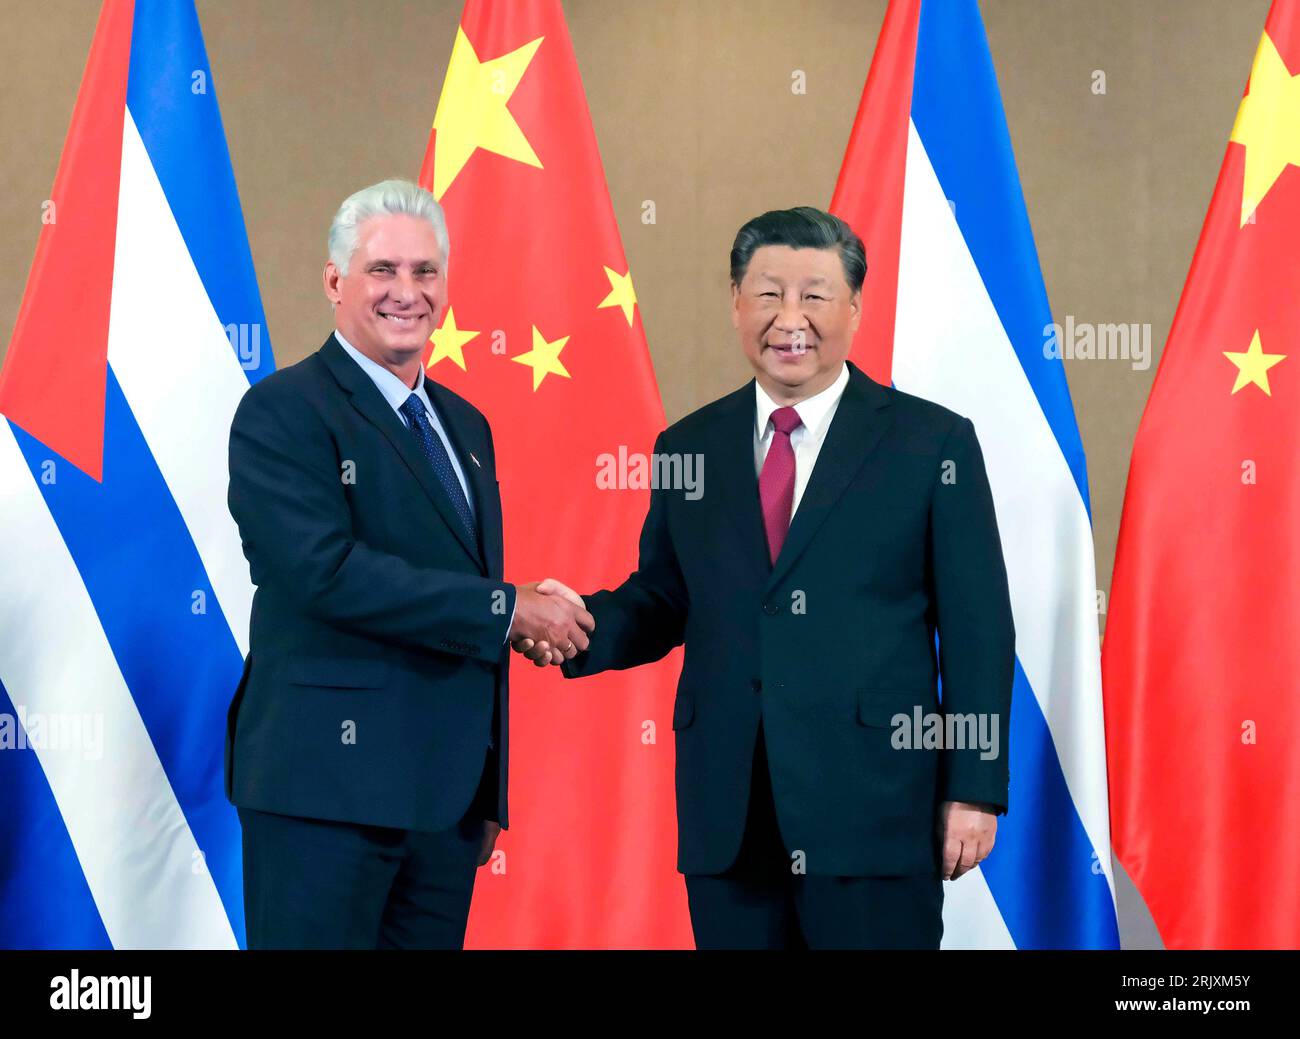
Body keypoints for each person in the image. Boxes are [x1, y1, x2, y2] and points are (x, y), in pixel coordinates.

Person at [516, 206, 1014, 949]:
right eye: (768, 293)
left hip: (873, 811)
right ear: (735, 302)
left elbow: (978, 627)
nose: (791, 318)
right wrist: (578, 623)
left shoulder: (930, 442)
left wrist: (974, 790)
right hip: (732, 812)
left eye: (815, 295)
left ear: (854, 305)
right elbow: (667, 597)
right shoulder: (689, 445)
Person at [224, 178, 591, 949]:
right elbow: (325, 572)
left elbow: (464, 596)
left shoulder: (466, 426)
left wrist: (488, 784)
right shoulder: (284, 412)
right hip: (324, 796)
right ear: (334, 281)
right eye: (382, 270)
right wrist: (507, 609)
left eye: (425, 272)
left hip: (444, 807)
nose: (406, 292)